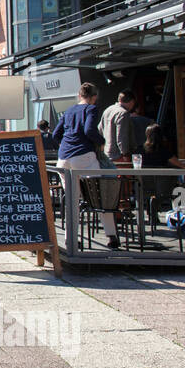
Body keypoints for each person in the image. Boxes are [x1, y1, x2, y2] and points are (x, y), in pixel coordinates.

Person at [52, 82, 120, 248]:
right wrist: (101, 142)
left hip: (63, 159)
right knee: (101, 195)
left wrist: (66, 144)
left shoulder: (69, 110)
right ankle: (111, 236)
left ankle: (71, 239)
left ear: (79, 95)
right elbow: (89, 130)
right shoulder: (91, 109)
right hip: (83, 156)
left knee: (72, 200)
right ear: (94, 97)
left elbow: (55, 134)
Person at [141, 123, 185, 215]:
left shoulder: (140, 150)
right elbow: (181, 165)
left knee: (153, 192)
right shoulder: (164, 151)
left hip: (145, 187)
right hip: (164, 189)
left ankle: (153, 207)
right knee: (180, 189)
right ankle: (181, 214)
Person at [98, 90, 136, 160]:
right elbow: (122, 136)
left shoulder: (108, 110)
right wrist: (125, 154)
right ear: (132, 102)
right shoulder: (123, 113)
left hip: (107, 154)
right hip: (119, 156)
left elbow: (100, 130)